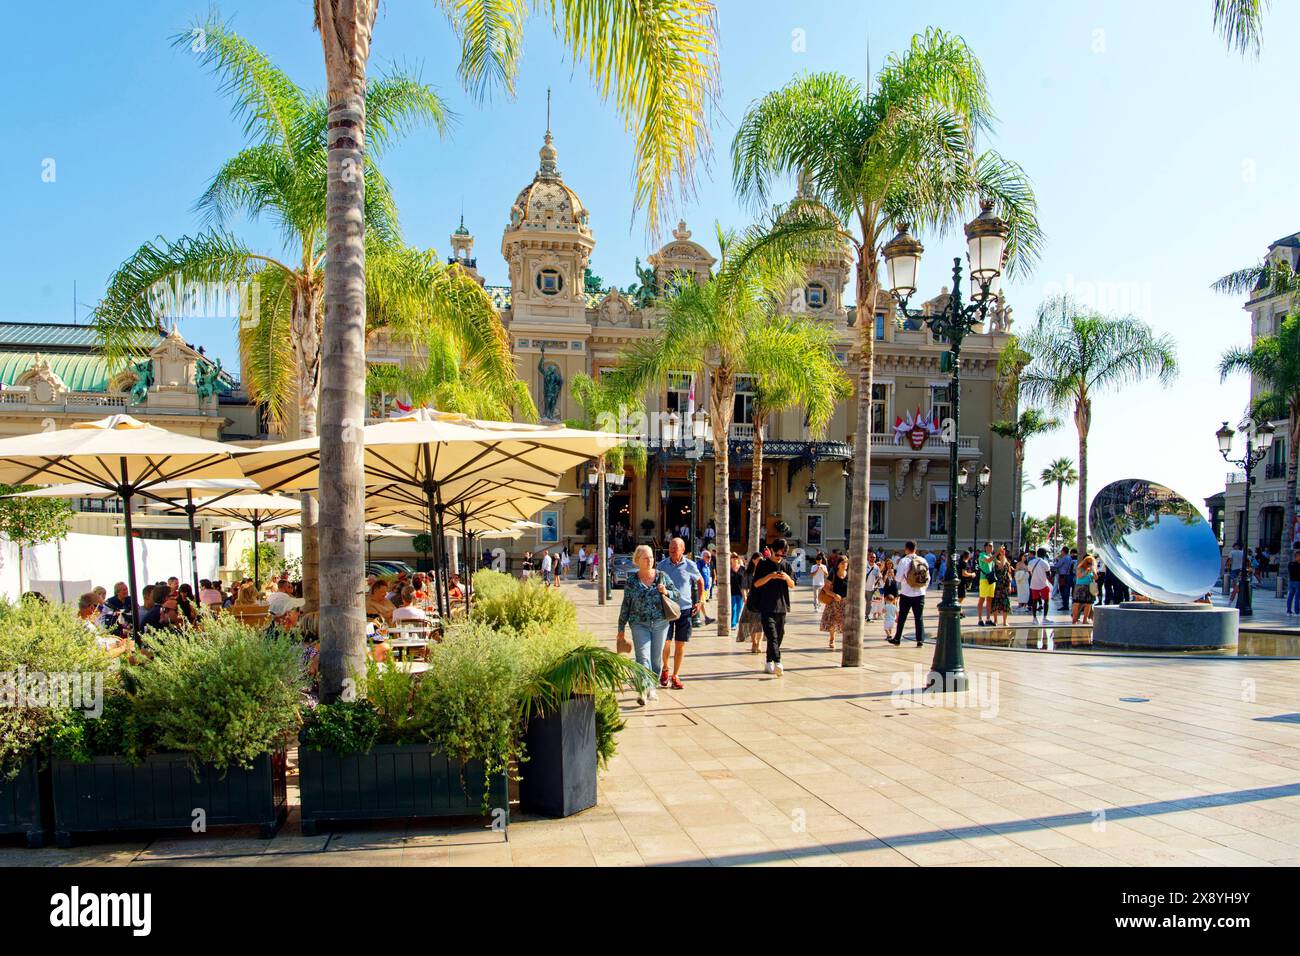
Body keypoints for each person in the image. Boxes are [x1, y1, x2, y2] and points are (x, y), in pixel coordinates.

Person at [617, 545, 679, 706]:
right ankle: (643, 690)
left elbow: (676, 594)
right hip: (639, 624)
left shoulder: (661, 576)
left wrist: (666, 592)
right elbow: (626, 605)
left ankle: (652, 687)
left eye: (651, 557)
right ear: (638, 560)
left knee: (656, 659)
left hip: (660, 623)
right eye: (646, 558)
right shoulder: (631, 581)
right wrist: (621, 628)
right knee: (642, 658)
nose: (650, 560)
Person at [656, 538, 704, 690]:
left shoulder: (690, 565)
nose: (672, 549)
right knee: (666, 642)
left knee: (680, 643)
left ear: (683, 550)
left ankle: (675, 675)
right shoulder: (662, 565)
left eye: (675, 547)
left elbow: (700, 581)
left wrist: (700, 601)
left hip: (684, 609)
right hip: (666, 608)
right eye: (670, 547)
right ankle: (665, 668)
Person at [752, 538, 795, 676]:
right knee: (772, 635)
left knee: (779, 635)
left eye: (782, 555)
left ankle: (769, 660)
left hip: (782, 606)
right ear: (771, 551)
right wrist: (770, 576)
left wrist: (786, 578)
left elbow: (793, 584)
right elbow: (756, 584)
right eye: (777, 555)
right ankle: (777, 662)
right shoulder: (763, 565)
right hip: (766, 606)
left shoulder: (786, 566)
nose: (779, 558)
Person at [893, 541, 928, 647]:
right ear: (915, 549)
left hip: (906, 593)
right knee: (919, 617)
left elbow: (898, 578)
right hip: (920, 593)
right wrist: (922, 589)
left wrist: (905, 580)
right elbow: (928, 578)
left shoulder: (904, 561)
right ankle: (920, 640)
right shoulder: (922, 560)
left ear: (906, 549)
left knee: (902, 617)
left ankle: (897, 638)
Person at [819, 555, 848, 651]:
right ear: (838, 565)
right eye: (843, 563)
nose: (845, 565)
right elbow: (826, 589)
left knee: (845, 622)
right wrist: (834, 595)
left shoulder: (849, 574)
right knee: (832, 622)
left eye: (846, 563)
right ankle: (832, 640)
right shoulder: (833, 574)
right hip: (834, 601)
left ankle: (846, 641)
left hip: (845, 602)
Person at [739, 553, 764, 653]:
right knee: (751, 623)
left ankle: (759, 644)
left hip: (762, 600)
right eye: (759, 559)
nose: (761, 561)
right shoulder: (747, 573)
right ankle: (754, 642)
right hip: (751, 600)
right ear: (753, 560)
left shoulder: (764, 571)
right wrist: (745, 597)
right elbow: (744, 586)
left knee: (761, 623)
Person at [1027, 547, 1054, 623]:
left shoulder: (1031, 562)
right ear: (1044, 554)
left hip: (1034, 584)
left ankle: (1034, 619)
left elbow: (1029, 572)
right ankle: (1045, 618)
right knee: (1046, 601)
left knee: (1034, 601)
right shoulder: (1045, 563)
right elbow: (1048, 574)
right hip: (1043, 584)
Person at [1072, 555, 1097, 624]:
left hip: (1090, 586)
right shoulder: (1080, 567)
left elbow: (1096, 578)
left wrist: (1094, 571)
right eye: (1088, 563)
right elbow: (1079, 576)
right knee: (1076, 603)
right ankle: (1074, 619)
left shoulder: (1093, 569)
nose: (1090, 564)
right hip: (1080, 586)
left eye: (1091, 563)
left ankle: (1085, 620)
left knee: (1088, 604)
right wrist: (1086, 571)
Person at [991, 547, 1012, 627]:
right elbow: (1001, 566)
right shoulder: (996, 561)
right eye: (1001, 554)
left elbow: (1008, 575)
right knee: (996, 602)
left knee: (1006, 603)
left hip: (1005, 585)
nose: (1003, 555)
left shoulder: (1007, 563)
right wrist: (1001, 553)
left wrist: (1009, 585)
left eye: (1003, 554)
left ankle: (1004, 621)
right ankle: (995, 620)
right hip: (997, 585)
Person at [976, 542, 996, 626]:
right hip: (984, 579)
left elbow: (1000, 564)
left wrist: (1003, 555)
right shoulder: (982, 555)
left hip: (991, 580)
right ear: (985, 547)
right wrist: (997, 553)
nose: (991, 548)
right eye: (990, 546)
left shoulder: (992, 556)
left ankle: (988, 619)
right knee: (982, 599)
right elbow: (988, 561)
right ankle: (980, 619)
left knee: (989, 599)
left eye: (992, 546)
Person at [1054, 548, 1076, 613]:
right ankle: (1068, 605)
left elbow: (1057, 565)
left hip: (1063, 576)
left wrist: (1057, 560)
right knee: (1067, 591)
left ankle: (1065, 605)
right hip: (1069, 575)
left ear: (1063, 551)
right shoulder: (1070, 558)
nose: (1061, 552)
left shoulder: (1064, 558)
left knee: (1063, 591)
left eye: (1061, 551)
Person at [729, 553, 746, 630]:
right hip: (732, 592)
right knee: (733, 608)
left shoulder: (742, 568)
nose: (734, 558)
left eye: (736, 557)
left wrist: (745, 593)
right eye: (732, 557)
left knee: (739, 608)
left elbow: (745, 581)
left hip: (740, 592)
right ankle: (733, 624)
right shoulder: (728, 569)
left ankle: (736, 621)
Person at [1287, 548, 1300, 616]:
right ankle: (1297, 611)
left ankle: (1288, 611)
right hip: (1298, 582)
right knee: (1297, 597)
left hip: (1291, 582)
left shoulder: (1290, 564)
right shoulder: (1297, 565)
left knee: (1290, 597)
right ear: (1297, 556)